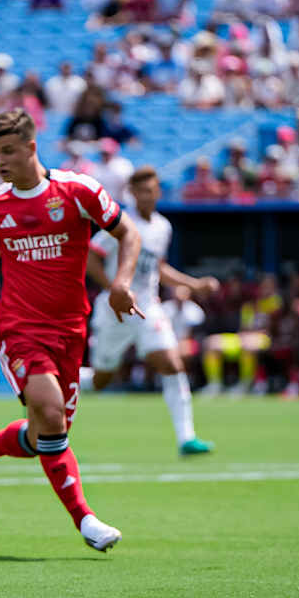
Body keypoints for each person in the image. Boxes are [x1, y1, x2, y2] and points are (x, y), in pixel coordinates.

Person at [0, 109, 141, 552]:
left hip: (71, 331)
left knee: (46, 435)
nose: (1, 161)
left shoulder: (78, 191)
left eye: (8, 151)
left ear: (31, 147)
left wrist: (121, 283)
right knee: (50, 413)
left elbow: (129, 233)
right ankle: (86, 520)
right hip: (20, 330)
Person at [87, 167, 217, 454]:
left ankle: (186, 438)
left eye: (154, 190)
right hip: (115, 311)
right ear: (132, 193)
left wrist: (193, 284)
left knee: (171, 363)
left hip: (147, 307)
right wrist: (114, 290)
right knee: (101, 379)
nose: (150, 195)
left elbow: (158, 268)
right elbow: (91, 258)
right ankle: (51, 389)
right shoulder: (120, 222)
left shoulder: (162, 227)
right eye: (144, 190)